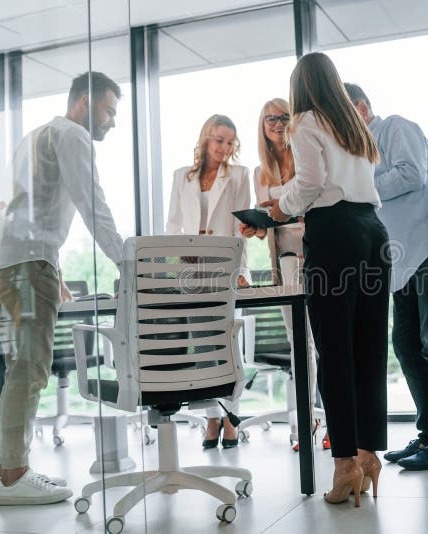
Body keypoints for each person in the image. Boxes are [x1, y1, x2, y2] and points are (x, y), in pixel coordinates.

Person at [0, 72, 124, 505]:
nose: (113, 121)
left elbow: (25, 205)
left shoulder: (36, 135)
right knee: (29, 368)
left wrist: (53, 265)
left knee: (21, 367)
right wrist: (129, 261)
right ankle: (11, 475)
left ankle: (11, 467)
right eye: (110, 110)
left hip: (7, 261)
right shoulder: (72, 135)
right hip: (25, 264)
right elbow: (93, 205)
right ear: (85, 101)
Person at [265, 52, 390, 507]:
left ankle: (343, 467)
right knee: (370, 347)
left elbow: (312, 182)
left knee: (334, 351)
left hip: (335, 234)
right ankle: (368, 454)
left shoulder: (305, 122)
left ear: (300, 86)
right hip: (374, 231)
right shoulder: (354, 125)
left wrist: (278, 209)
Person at [344, 83, 428, 471]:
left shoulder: (395, 128)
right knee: (405, 345)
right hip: (404, 259)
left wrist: (356, 192)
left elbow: (411, 174)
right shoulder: (359, 158)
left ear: (363, 108)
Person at [240, 98, 329, 452]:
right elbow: (271, 220)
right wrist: (255, 228)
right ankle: (305, 420)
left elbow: (314, 199)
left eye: (283, 117)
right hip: (283, 259)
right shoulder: (259, 172)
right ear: (262, 125)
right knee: (300, 344)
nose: (277, 123)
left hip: (316, 251)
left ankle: (334, 420)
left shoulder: (305, 155)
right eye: (270, 118)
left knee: (325, 341)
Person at [166, 113, 251, 449]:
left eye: (230, 142)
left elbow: (240, 230)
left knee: (226, 344)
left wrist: (241, 271)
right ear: (205, 138)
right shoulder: (181, 177)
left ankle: (231, 417)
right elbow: (172, 224)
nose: (225, 148)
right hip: (189, 270)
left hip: (222, 267)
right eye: (219, 140)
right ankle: (211, 419)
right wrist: (175, 259)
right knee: (202, 345)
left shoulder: (239, 176)